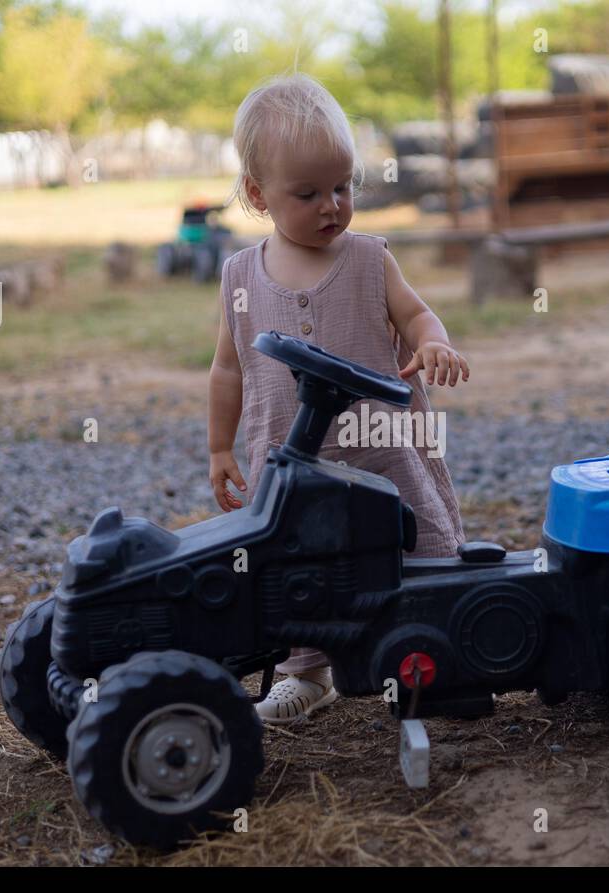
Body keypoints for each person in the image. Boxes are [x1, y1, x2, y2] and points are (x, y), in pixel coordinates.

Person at [207, 73, 468, 725]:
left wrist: (433, 342)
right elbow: (227, 369)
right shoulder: (240, 275)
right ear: (257, 194)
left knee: (422, 544)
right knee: (300, 564)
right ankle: (308, 672)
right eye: (309, 193)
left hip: (382, 453)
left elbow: (416, 316)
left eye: (343, 187)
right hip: (292, 460)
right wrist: (219, 445)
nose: (332, 205)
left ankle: (442, 647)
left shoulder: (368, 259)